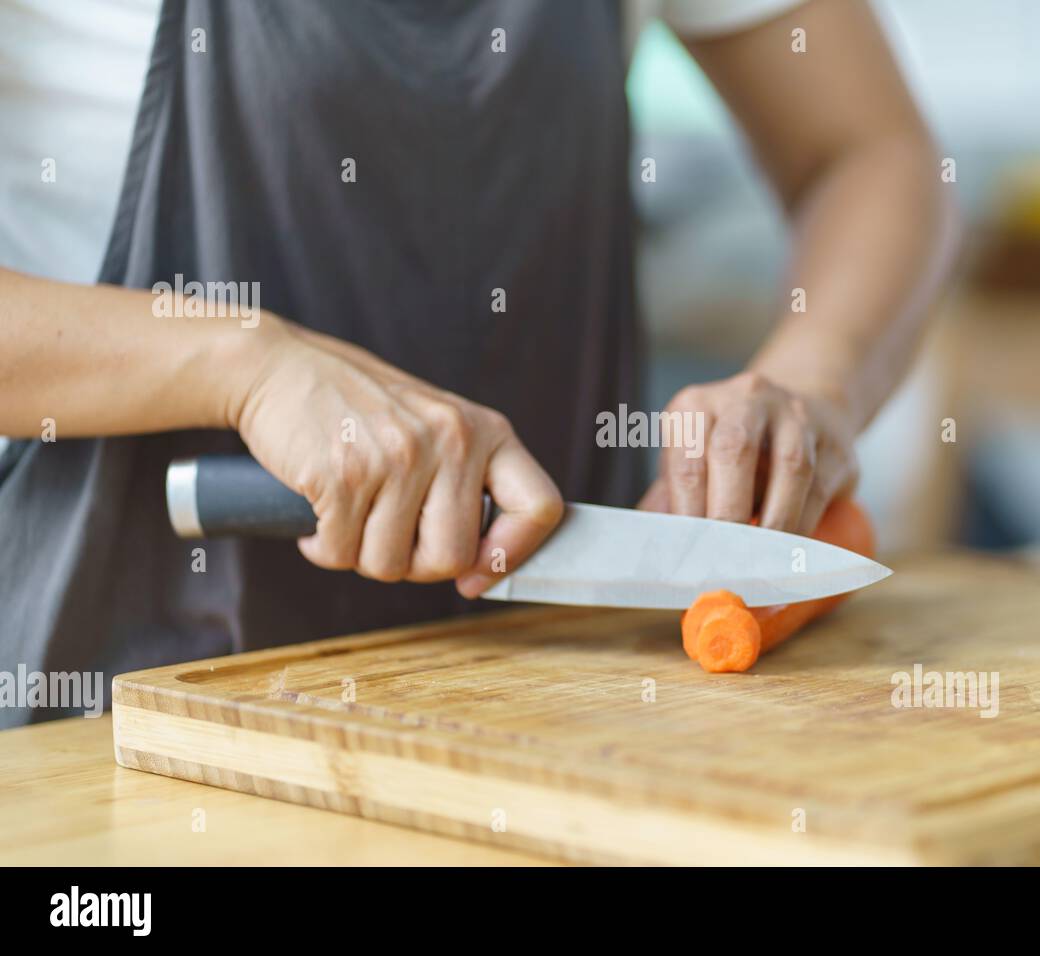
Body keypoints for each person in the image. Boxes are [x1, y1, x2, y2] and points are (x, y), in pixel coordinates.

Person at [0, 0, 950, 725]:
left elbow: (871, 152)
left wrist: (818, 372)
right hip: (125, 715)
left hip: (566, 705)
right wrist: (245, 361)